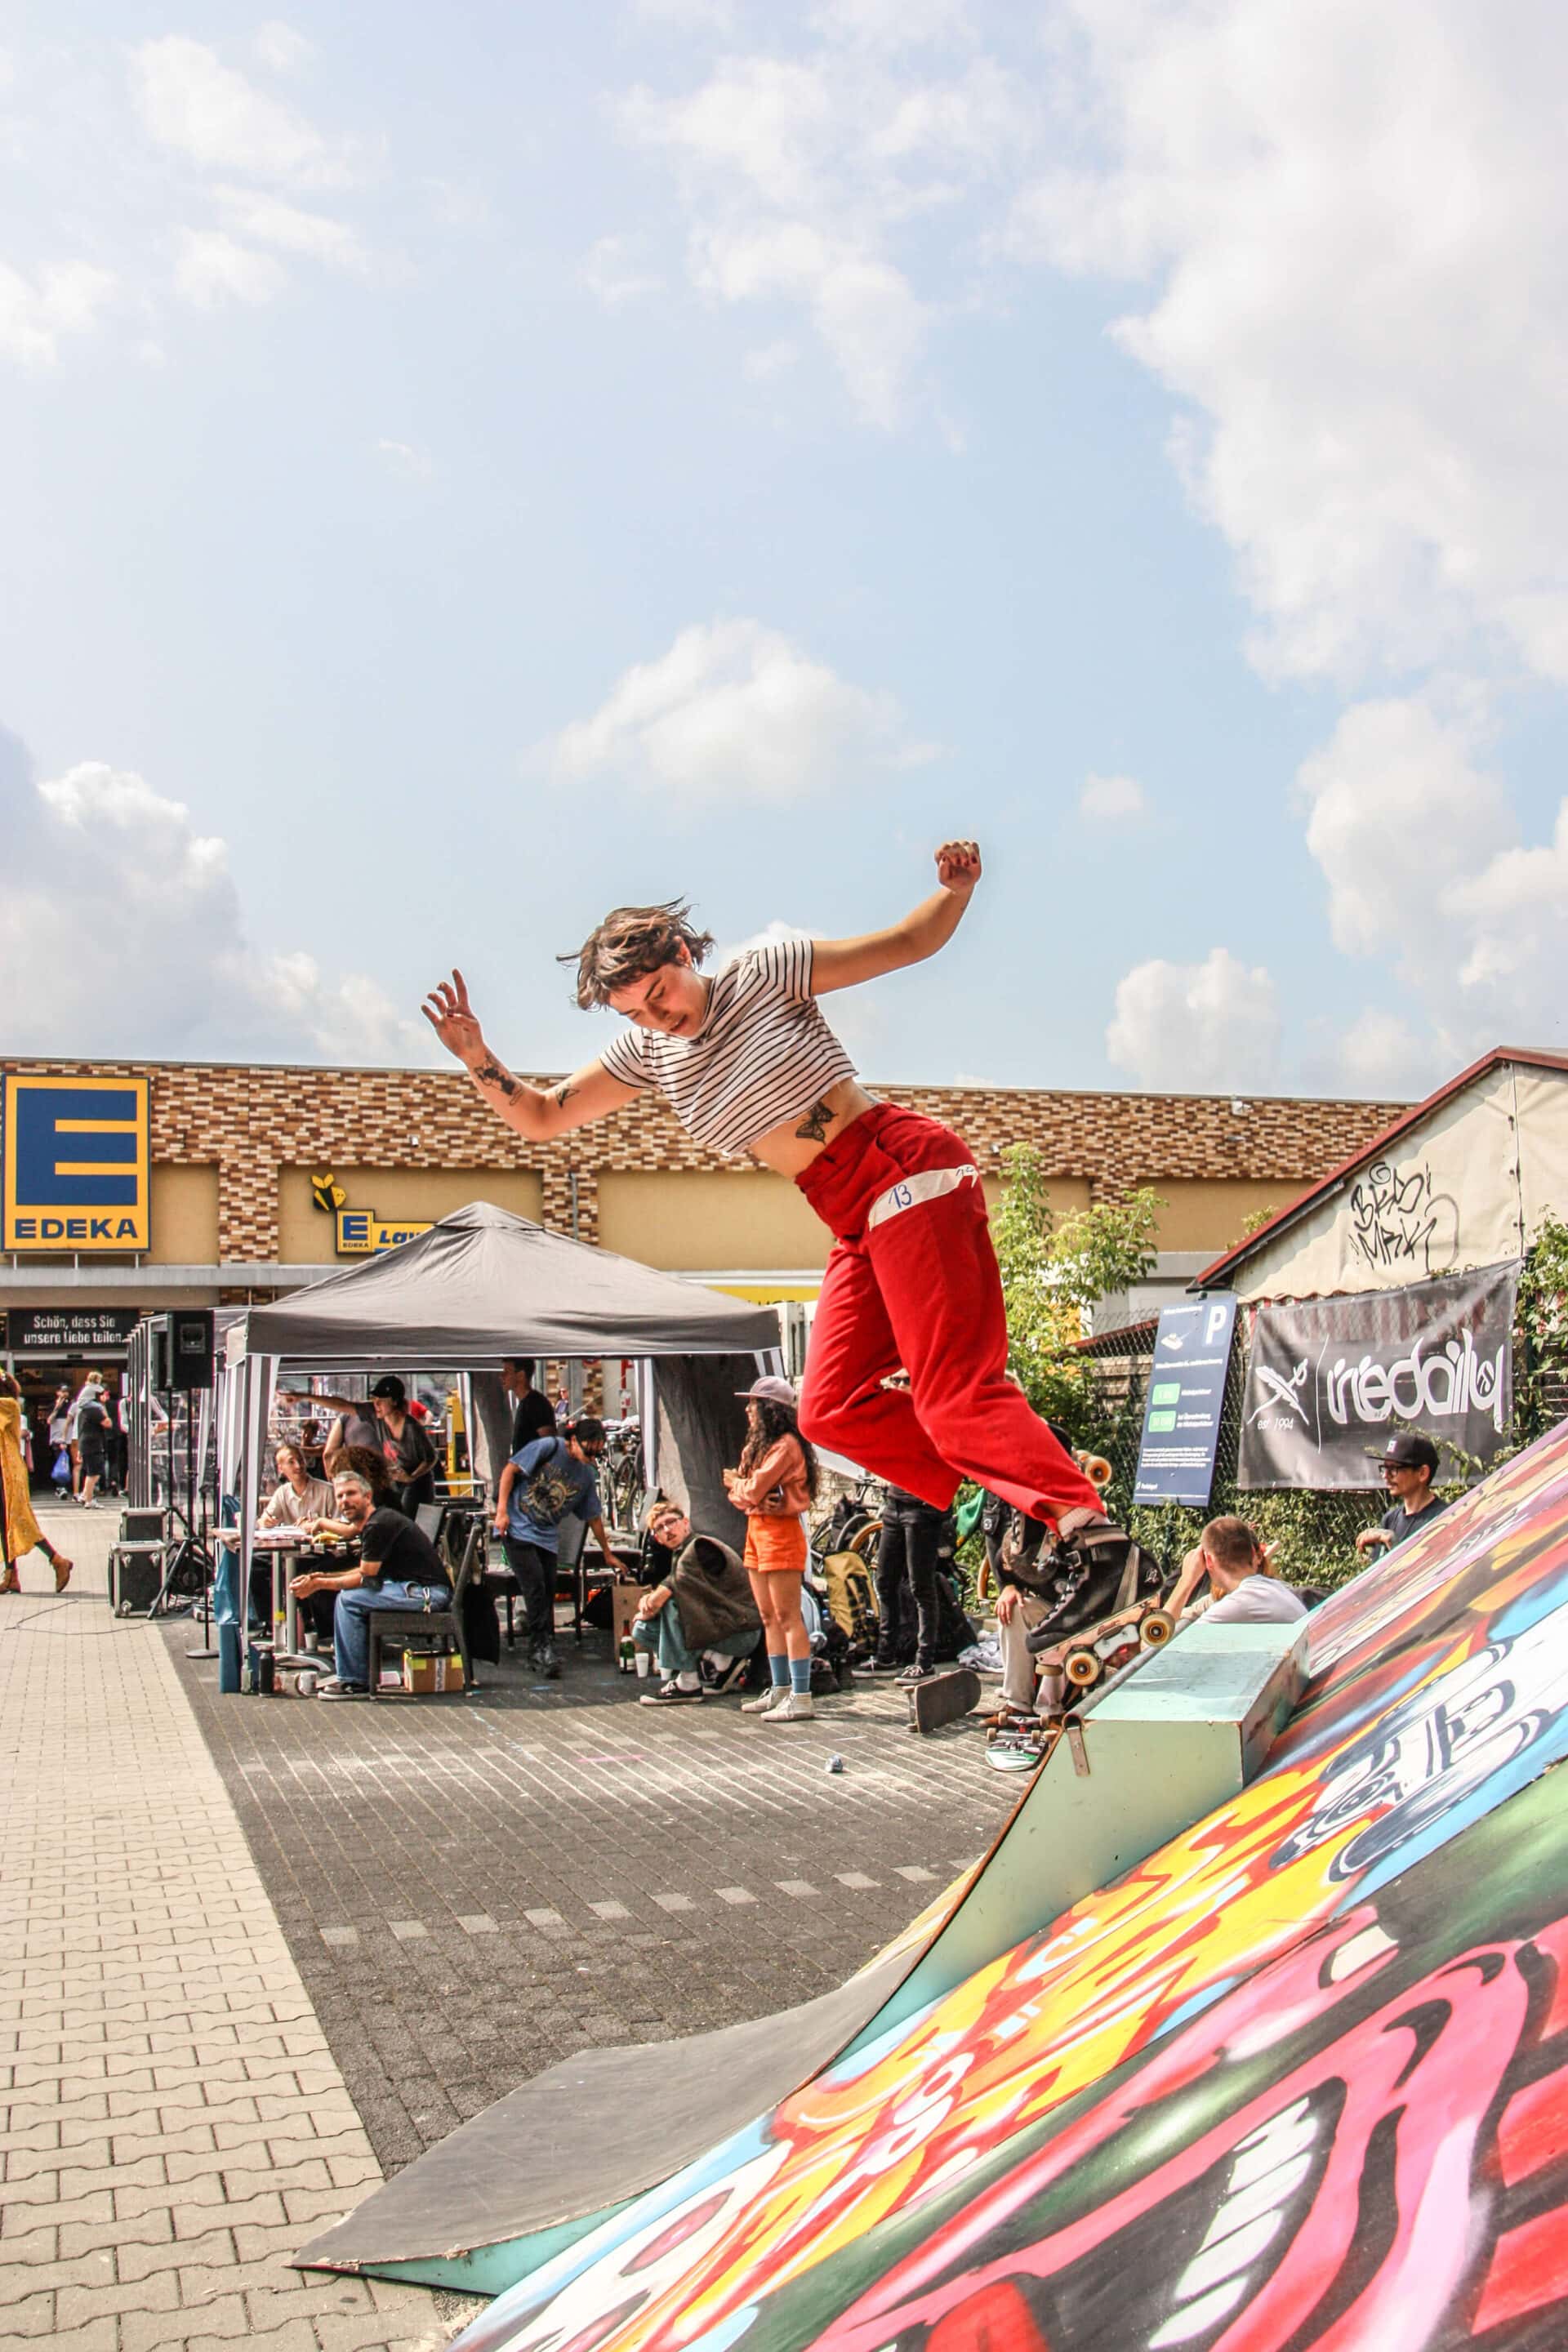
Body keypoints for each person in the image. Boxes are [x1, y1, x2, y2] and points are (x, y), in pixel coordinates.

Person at [421, 844, 1131, 1646]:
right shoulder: (649, 1054)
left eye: (661, 994)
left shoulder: (764, 975)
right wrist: (477, 1058)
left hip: (898, 1166)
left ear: (683, 952)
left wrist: (955, 891)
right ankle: (1017, 1486)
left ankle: (1095, 1542)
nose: (658, 1018)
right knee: (830, 1409)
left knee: (950, 1393)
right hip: (850, 1212)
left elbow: (908, 943)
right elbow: (544, 1116)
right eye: (636, 1013)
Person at [291, 1468, 452, 1699]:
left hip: (429, 1595)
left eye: (351, 1494)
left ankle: (355, 1682)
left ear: (367, 1496)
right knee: (348, 1596)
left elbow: (365, 1577)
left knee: (349, 1600)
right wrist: (319, 1578)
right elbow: (354, 1538)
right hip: (414, 1588)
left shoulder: (379, 1525)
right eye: (340, 1496)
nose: (345, 1501)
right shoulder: (376, 1520)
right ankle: (353, 1675)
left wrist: (318, 1584)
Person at [720, 1376, 818, 1723]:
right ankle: (780, 1688)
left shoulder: (786, 1446)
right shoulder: (760, 1446)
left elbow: (746, 1488)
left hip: (780, 1534)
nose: (748, 1410)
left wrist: (741, 1484)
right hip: (758, 1530)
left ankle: (801, 1695)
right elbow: (745, 1496)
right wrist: (748, 1491)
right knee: (768, 1617)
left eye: (754, 1403)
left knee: (788, 1616)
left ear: (770, 1409)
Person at [493, 1415, 614, 1679]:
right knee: (535, 1585)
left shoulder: (586, 1475)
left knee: (548, 1589)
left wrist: (607, 1552)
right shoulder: (549, 1447)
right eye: (588, 1451)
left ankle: (542, 1646)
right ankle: (541, 1646)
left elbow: (593, 1517)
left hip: (546, 1535)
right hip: (519, 1527)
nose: (592, 1458)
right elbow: (510, 1470)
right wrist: (502, 1511)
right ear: (574, 1441)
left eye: (597, 1453)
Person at [633, 1500, 763, 1704]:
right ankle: (710, 1667)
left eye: (671, 1522)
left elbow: (670, 1590)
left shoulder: (700, 1547)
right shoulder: (682, 1552)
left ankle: (689, 1684)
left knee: (671, 1604)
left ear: (685, 1522)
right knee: (643, 1630)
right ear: (657, 1539)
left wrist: (649, 1603)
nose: (667, 1530)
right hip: (721, 1627)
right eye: (660, 1528)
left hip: (741, 1632)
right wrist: (649, 1603)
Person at [864, 1480, 958, 1685]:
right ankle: (886, 1657)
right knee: (884, 1582)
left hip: (923, 1507)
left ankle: (925, 1662)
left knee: (921, 1587)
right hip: (894, 1503)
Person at [1165, 1517, 1309, 1627]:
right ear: (1253, 1553)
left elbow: (1156, 1642)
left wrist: (1186, 1581)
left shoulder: (1238, 1604)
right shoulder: (1277, 1589)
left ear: (1209, 1560)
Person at [0, 1373, 73, 1592]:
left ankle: (57, 1560)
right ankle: (11, 1574)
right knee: (5, 1523)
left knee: (20, 1521)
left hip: (8, 1474)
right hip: (4, 1471)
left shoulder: (8, 1405)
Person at [1356, 1432, 1449, 1557]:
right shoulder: (1389, 1520)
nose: (1386, 1475)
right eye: (1385, 1468)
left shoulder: (1443, 1518)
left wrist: (1392, 1541)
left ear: (1422, 1473)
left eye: (1394, 1469)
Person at [368, 1375, 437, 1517]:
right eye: (374, 1400)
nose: (376, 1404)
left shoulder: (412, 1427)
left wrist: (411, 1477)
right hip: (396, 1480)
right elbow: (350, 1407)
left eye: (381, 1401)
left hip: (417, 1482)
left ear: (394, 1402)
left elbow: (431, 1458)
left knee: (406, 1517)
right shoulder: (379, 1421)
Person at [260, 1441, 336, 1529]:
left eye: (300, 1460)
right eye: (291, 1462)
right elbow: (264, 1519)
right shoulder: (282, 1493)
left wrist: (316, 1524)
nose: (298, 1466)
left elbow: (341, 1523)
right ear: (280, 1468)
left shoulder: (328, 1490)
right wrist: (265, 1521)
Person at [501, 1357, 556, 1454]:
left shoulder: (536, 1404)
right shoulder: (525, 1403)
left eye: (507, 1372)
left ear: (521, 1375)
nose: (501, 1376)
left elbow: (549, 1444)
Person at [74, 1383, 111, 1511]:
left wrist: (80, 1449)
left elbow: (81, 1430)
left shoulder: (83, 1412)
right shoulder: (94, 1410)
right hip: (93, 1444)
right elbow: (108, 1423)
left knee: (93, 1471)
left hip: (86, 1444)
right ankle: (89, 1500)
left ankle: (85, 1495)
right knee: (94, 1473)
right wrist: (103, 1406)